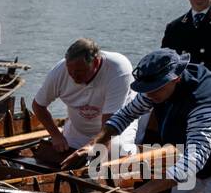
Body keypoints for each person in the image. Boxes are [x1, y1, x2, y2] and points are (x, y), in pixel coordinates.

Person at [63, 48, 211, 193]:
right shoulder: (157, 90)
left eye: (154, 89)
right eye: (146, 89)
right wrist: (92, 145)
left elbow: (195, 158)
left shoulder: (206, 101)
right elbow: (125, 115)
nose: (149, 94)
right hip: (201, 161)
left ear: (175, 79)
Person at [31, 38, 137, 166]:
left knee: (115, 154)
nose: (74, 77)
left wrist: (92, 147)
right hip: (78, 129)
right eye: (70, 72)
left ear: (96, 62)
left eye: (80, 72)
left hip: (116, 128)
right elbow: (38, 106)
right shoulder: (59, 72)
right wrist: (56, 136)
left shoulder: (118, 69)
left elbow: (110, 125)